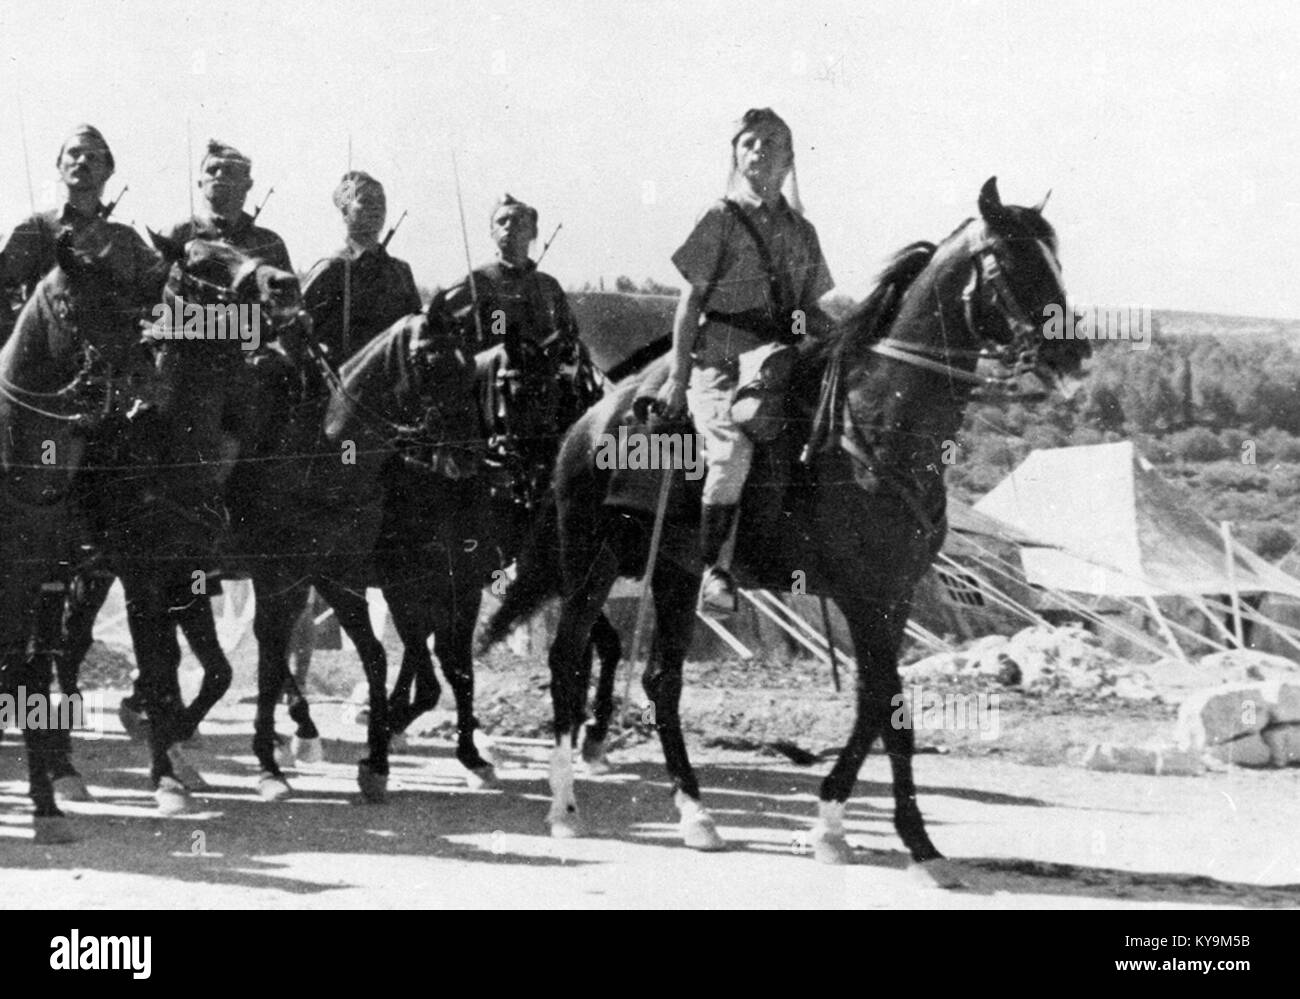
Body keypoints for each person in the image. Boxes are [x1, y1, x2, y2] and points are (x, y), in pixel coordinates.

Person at [656, 108, 835, 616]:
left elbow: (806, 311)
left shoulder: (804, 232)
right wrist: (677, 375)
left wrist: (848, 336)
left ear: (790, 158)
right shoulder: (719, 218)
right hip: (721, 365)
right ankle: (711, 570)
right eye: (749, 142)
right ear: (735, 155)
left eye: (772, 142)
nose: (760, 149)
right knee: (732, 453)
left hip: (779, 362)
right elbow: (692, 302)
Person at [431, 193, 599, 433]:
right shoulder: (477, 280)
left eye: (519, 221)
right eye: (502, 221)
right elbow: (441, 331)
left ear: (533, 232)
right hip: (494, 389)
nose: (509, 226)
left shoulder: (548, 285)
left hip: (550, 388)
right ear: (491, 233)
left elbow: (569, 332)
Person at [0, 124, 163, 344]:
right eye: (74, 153)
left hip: (114, 363)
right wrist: (13, 338)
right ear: (59, 165)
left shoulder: (126, 238)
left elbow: (161, 294)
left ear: (108, 171)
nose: (82, 161)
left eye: (93, 157)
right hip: (46, 361)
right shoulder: (36, 227)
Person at [301, 171, 420, 367]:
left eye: (381, 201)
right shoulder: (332, 268)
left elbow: (415, 327)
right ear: (345, 211)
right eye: (365, 201)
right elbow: (296, 328)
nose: (376, 208)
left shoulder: (401, 271)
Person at [163, 139, 293, 272]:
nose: (219, 175)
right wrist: (180, 293)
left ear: (247, 184)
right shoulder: (178, 234)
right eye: (212, 170)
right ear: (200, 183)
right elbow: (158, 289)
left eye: (230, 171)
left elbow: (287, 290)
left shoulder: (269, 243)